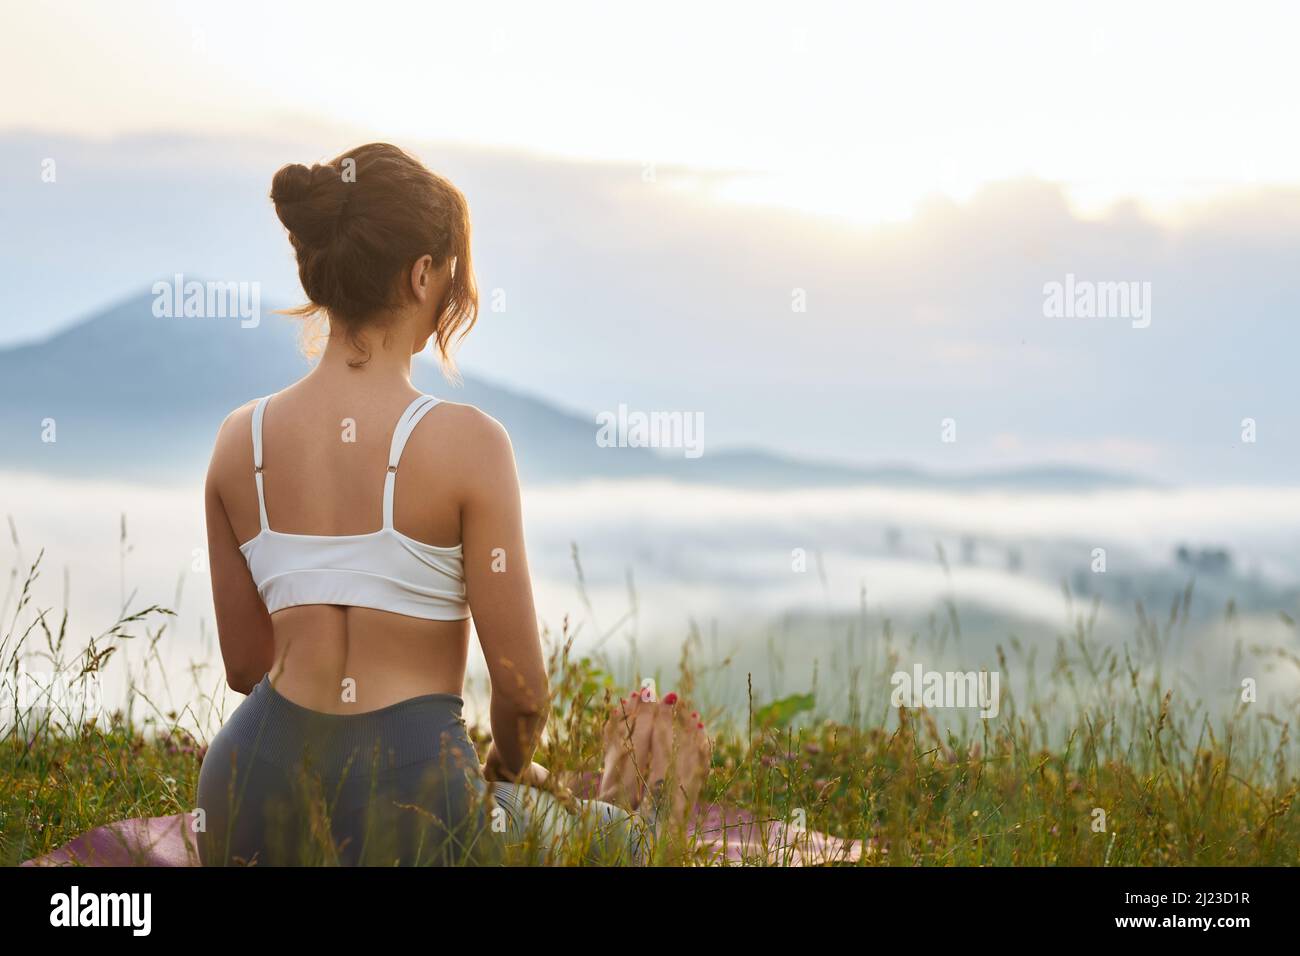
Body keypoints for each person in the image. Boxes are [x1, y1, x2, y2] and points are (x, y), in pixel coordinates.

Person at [195, 143, 709, 866]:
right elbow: (523, 693)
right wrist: (503, 770)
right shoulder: (468, 444)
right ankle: (646, 804)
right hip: (412, 804)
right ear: (421, 273)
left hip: (244, 794)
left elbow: (247, 667)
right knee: (633, 846)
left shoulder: (234, 443)